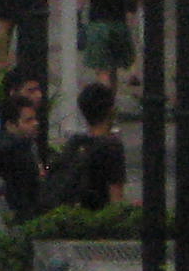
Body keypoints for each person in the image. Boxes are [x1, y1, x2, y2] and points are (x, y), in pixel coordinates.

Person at [40, 80, 134, 211]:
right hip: (96, 219)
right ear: (111, 110)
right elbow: (116, 199)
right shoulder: (112, 147)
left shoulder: (75, 142)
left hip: (71, 215)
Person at [0, 80, 48, 218]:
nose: (36, 124)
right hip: (16, 211)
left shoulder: (25, 143)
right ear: (11, 125)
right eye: (28, 121)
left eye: (35, 119)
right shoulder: (8, 143)